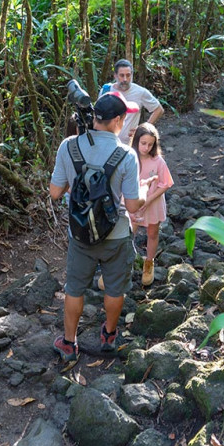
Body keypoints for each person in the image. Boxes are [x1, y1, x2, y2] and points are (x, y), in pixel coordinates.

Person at [49, 92, 153, 362]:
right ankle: (108, 334)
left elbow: (55, 192)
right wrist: (142, 189)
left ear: (95, 116)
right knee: (114, 289)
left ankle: (69, 343)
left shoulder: (68, 146)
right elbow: (131, 207)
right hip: (115, 234)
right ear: (118, 120)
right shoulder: (126, 155)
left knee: (74, 288)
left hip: (80, 233)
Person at [129, 123, 174, 287]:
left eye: (150, 144)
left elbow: (166, 183)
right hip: (132, 202)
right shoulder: (130, 157)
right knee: (128, 233)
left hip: (152, 203)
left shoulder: (158, 161)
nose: (146, 147)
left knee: (152, 232)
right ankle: (122, 263)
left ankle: (149, 262)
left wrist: (148, 200)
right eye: (143, 143)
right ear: (136, 141)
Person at [102, 59, 164, 145]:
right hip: (107, 142)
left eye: (128, 75)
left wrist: (142, 129)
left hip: (129, 144)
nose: (125, 79)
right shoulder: (106, 90)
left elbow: (159, 109)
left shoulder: (140, 92)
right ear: (115, 76)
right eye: (121, 75)